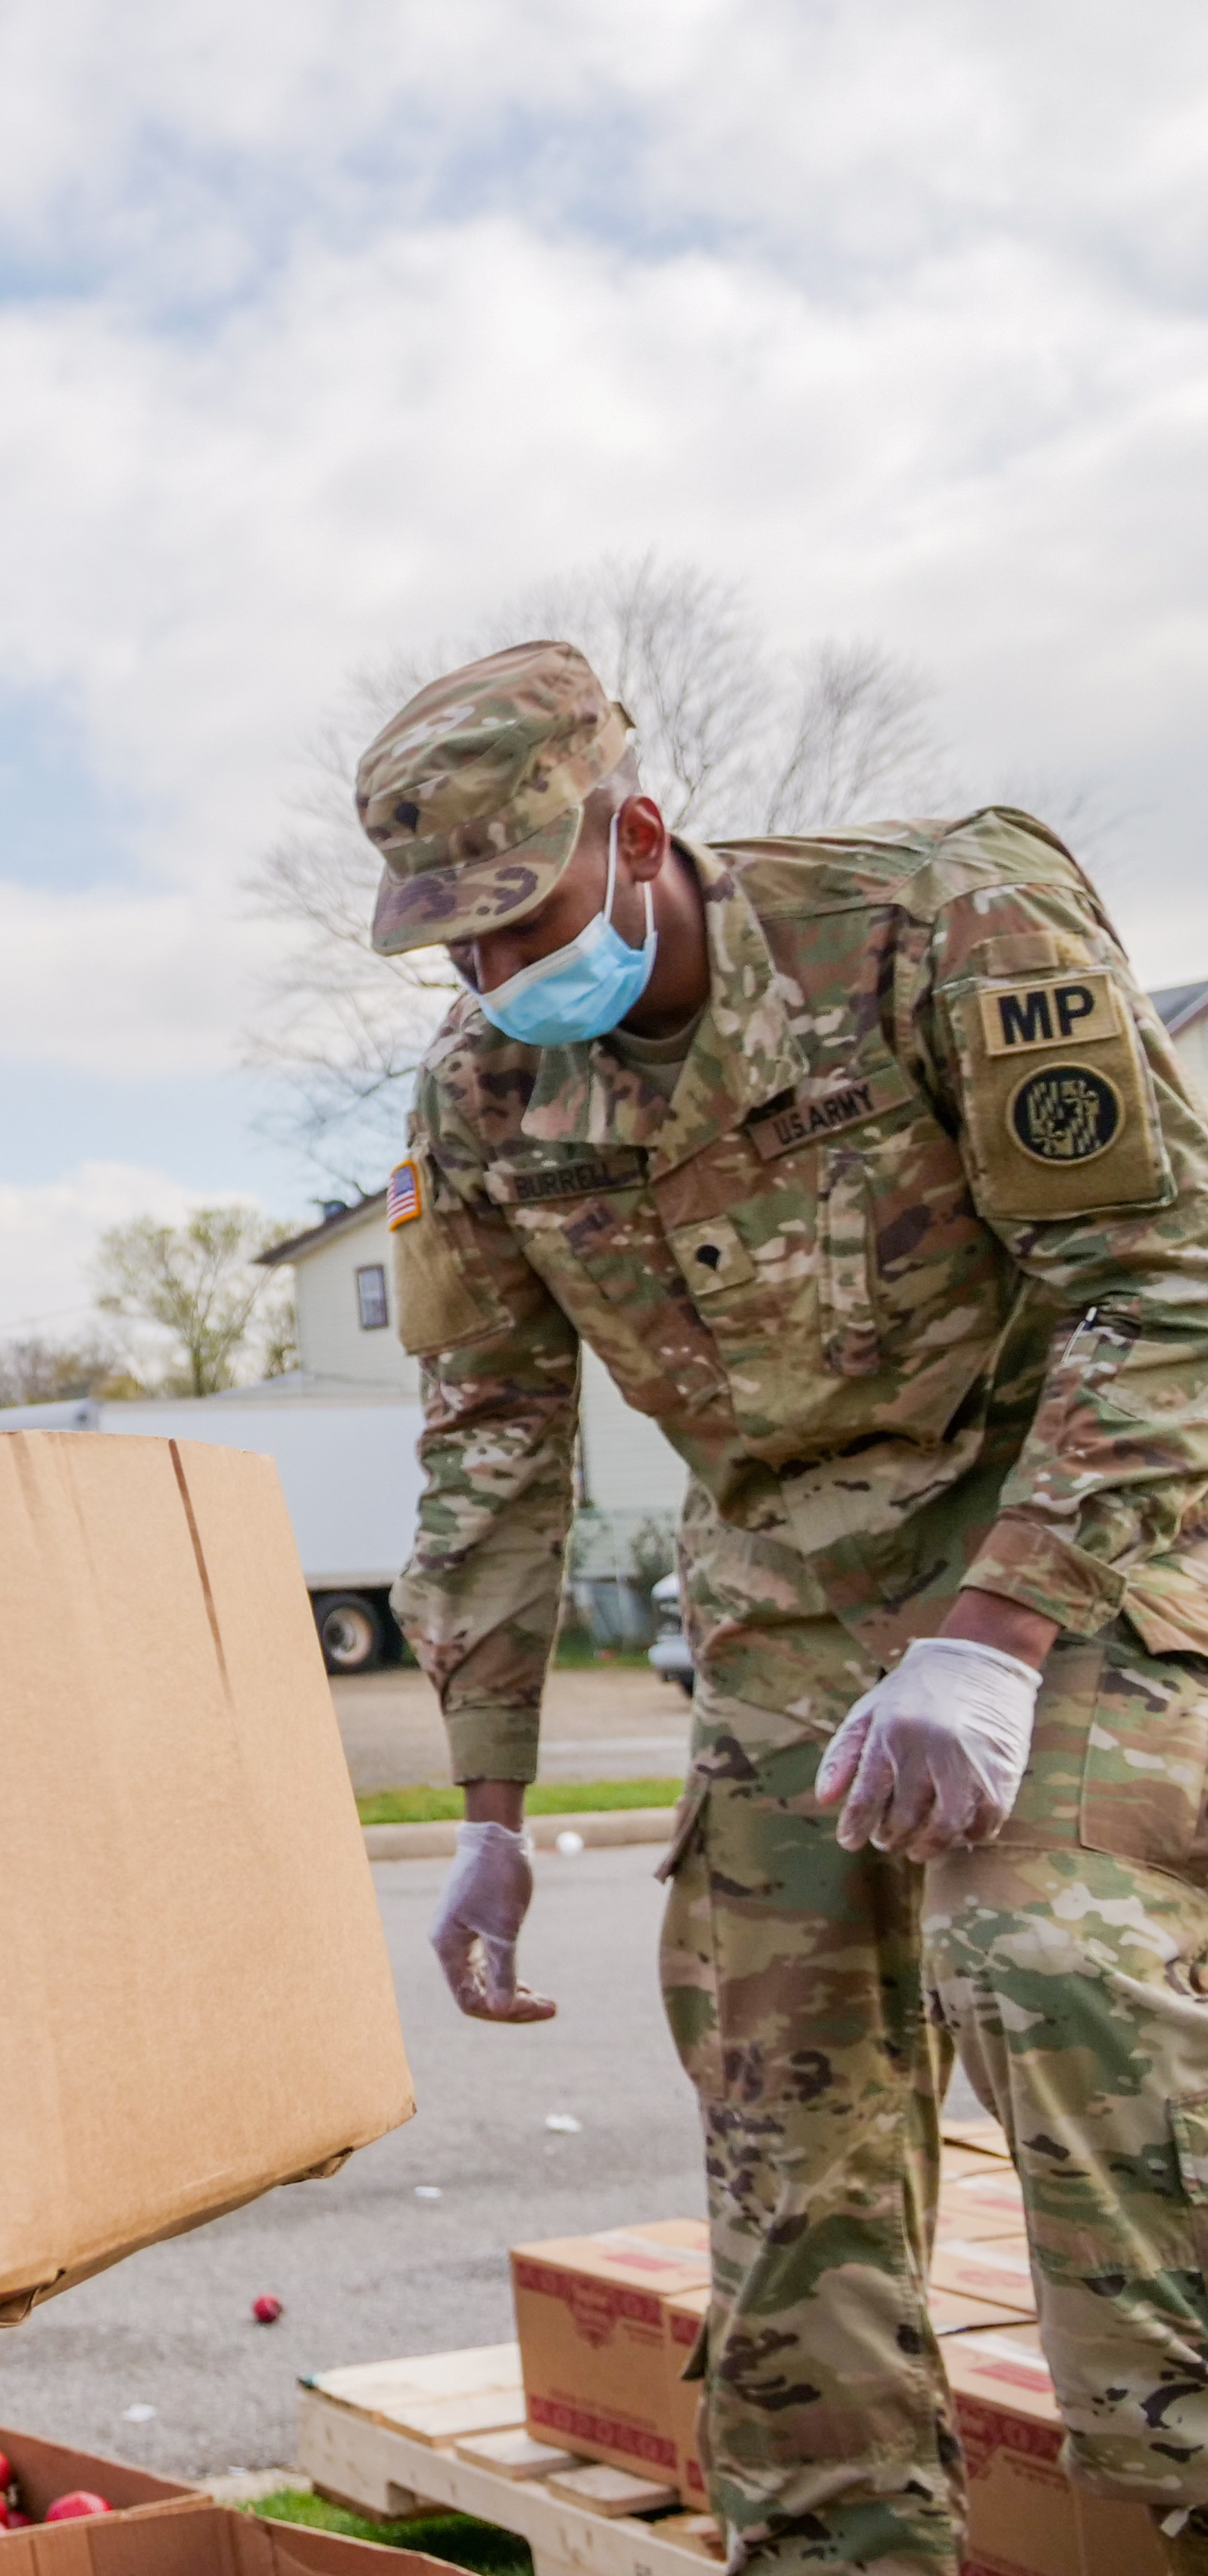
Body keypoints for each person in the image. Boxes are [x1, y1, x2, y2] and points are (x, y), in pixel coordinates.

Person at [371, 641, 1208, 2576]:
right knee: (781, 2113)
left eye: (524, 918)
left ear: (639, 832)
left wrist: (993, 1638)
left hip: (1065, 1545)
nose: (500, 980)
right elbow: (489, 1441)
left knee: (1052, 1972)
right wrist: (487, 1809)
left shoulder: (941, 924)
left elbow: (1164, 1289)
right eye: (456, 946)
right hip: (787, 1601)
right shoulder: (488, 1090)